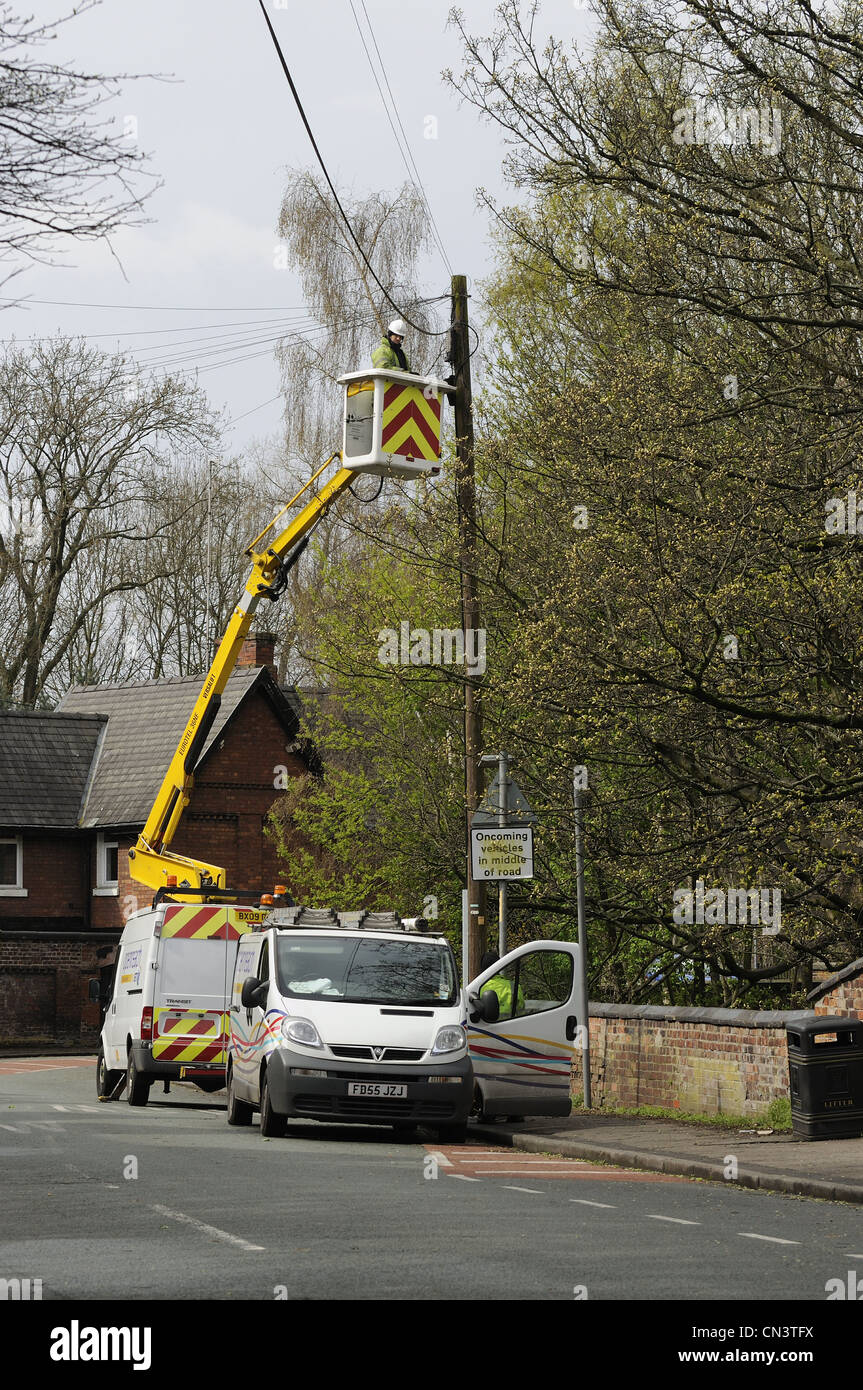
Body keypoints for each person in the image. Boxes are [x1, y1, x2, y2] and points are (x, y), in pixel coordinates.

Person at [478, 949, 524, 1018]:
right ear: (499, 967)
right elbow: (521, 1009)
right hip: (513, 1026)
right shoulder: (514, 986)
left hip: (487, 1028)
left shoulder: (479, 988)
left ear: (482, 968)